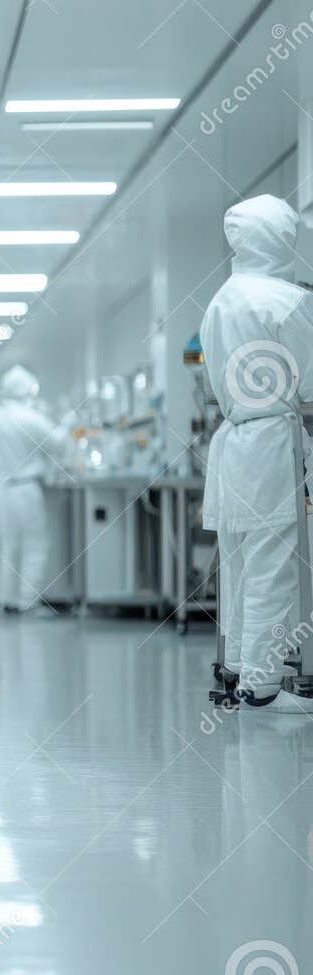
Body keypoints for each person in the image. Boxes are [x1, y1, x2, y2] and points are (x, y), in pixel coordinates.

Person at [200, 194, 313, 714]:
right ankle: (266, 690)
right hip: (270, 443)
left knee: (242, 562)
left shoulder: (221, 300)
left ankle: (245, 673)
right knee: (273, 566)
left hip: (234, 440)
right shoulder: (286, 300)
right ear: (283, 237)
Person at [0, 365, 65, 616]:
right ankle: (26, 602)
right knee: (32, 542)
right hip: (22, 489)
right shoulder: (31, 418)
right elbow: (59, 444)